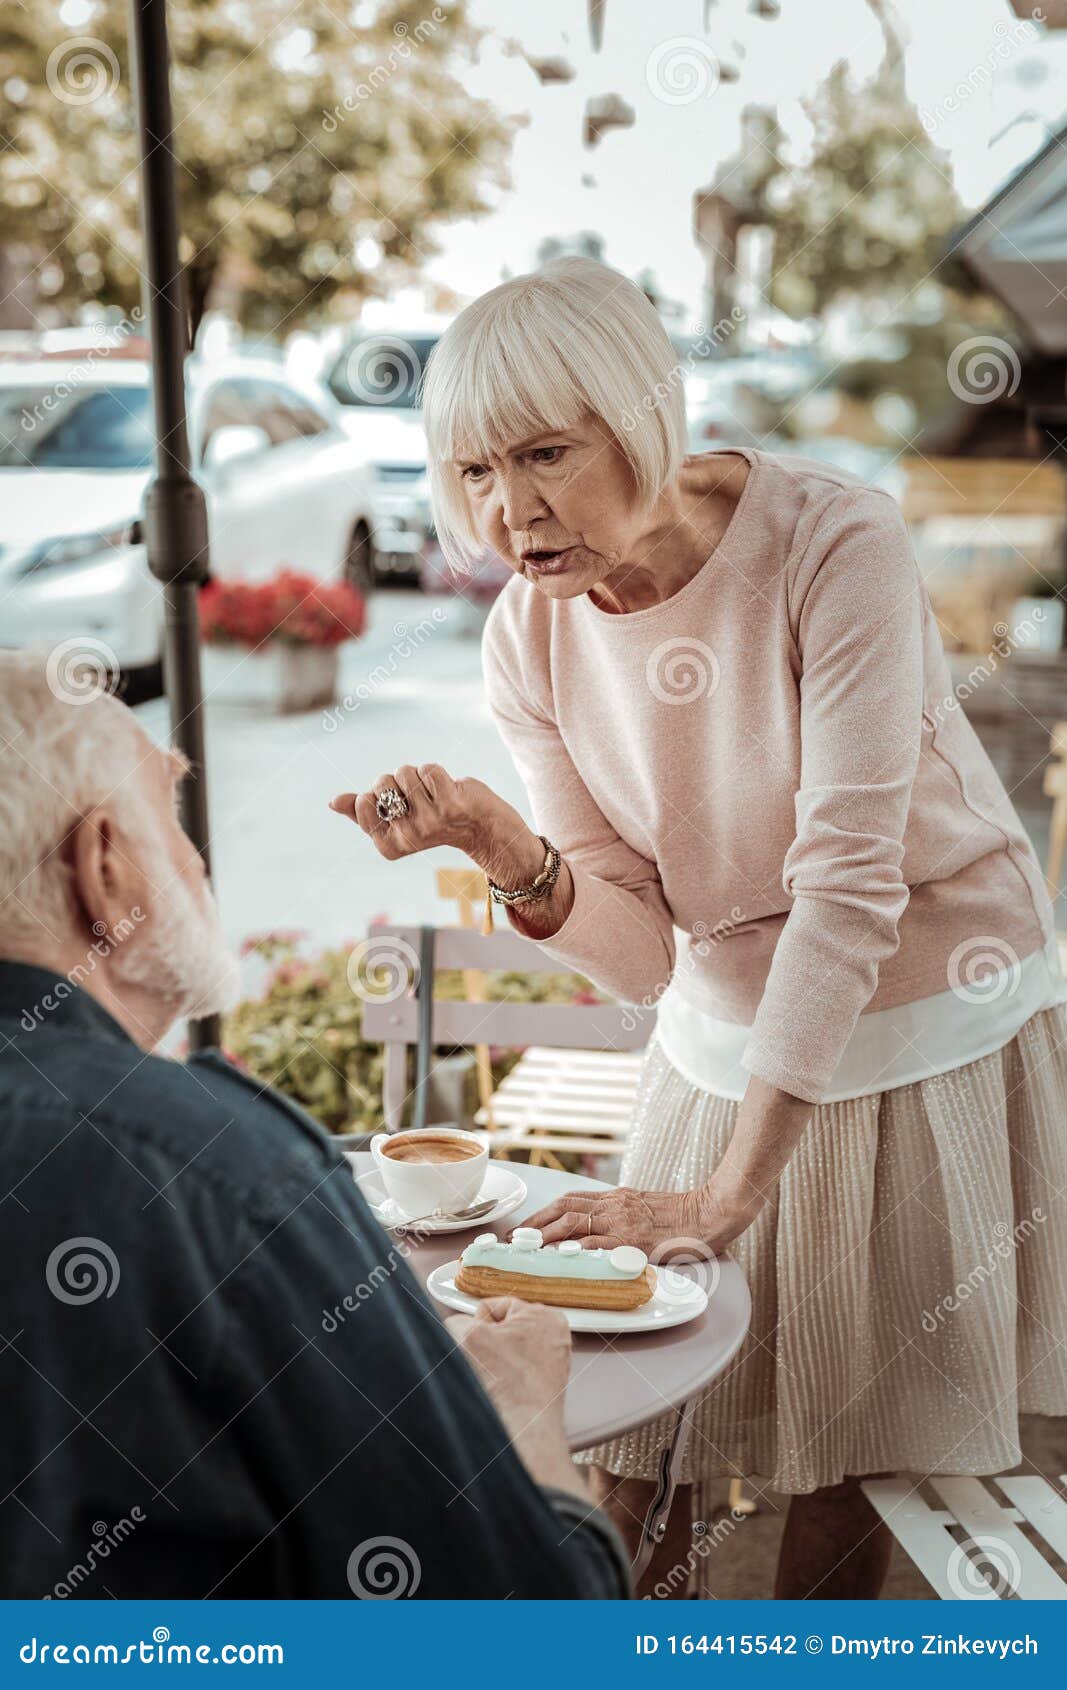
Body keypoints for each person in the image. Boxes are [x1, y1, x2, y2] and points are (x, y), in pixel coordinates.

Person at [330, 255, 1067, 1600]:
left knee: (843, 1458)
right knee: (634, 1441)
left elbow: (846, 884)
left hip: (919, 1018)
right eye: (477, 472)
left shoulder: (830, 542)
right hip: (722, 1026)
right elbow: (645, 955)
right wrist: (504, 846)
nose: (510, 511)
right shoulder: (529, 635)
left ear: (638, 417)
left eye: (544, 453)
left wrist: (730, 1191)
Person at [0, 650, 628, 1601]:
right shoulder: (211, 1170)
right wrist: (526, 1419)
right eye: (168, 816)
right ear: (104, 867)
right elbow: (525, 1625)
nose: (198, 858)